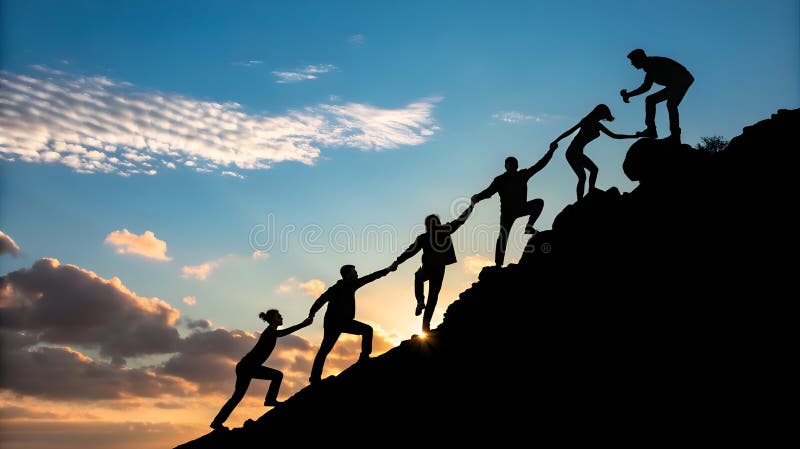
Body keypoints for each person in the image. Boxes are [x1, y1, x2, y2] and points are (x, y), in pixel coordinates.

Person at [210, 310, 312, 430]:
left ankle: (216, 423)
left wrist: (302, 324)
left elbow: (282, 333)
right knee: (277, 375)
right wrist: (303, 324)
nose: (281, 317)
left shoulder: (272, 332)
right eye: (279, 316)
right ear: (273, 319)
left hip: (245, 366)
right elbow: (284, 332)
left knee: (237, 397)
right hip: (248, 366)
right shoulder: (270, 332)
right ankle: (270, 400)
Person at [390, 202, 475, 333]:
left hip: (429, 268)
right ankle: (425, 326)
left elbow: (410, 251)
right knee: (433, 297)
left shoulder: (424, 237)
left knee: (419, 277)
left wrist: (397, 262)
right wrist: (471, 206)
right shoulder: (444, 230)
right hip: (439, 269)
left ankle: (420, 303)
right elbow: (460, 220)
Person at [307, 263, 395, 384]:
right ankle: (315, 378)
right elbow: (320, 300)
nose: (357, 274)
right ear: (347, 275)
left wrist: (388, 269)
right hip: (333, 324)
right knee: (324, 350)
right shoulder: (335, 288)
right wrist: (311, 314)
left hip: (345, 322)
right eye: (354, 272)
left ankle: (364, 358)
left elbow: (371, 277)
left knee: (367, 330)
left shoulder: (353, 284)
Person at [472, 149, 555, 267]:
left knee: (539, 203)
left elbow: (539, 166)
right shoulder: (500, 180)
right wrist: (478, 197)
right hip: (507, 213)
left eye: (514, 164)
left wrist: (550, 152)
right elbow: (489, 192)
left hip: (521, 207)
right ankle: (498, 264)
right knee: (503, 236)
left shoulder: (522, 174)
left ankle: (529, 227)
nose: (512, 166)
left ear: (517, 166)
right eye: (509, 164)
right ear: (506, 166)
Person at [550, 104, 637, 200]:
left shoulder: (598, 125)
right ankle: (586, 196)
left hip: (577, 153)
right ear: (599, 113)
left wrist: (634, 136)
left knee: (587, 174)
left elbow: (614, 136)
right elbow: (570, 131)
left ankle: (587, 195)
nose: (603, 117)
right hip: (572, 152)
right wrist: (556, 140)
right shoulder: (586, 121)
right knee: (587, 174)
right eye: (603, 114)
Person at [620, 48, 694, 141]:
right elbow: (646, 87)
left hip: (682, 80)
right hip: (676, 84)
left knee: (671, 104)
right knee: (650, 100)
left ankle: (675, 134)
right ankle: (651, 130)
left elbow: (646, 87)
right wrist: (629, 94)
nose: (632, 64)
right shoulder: (649, 68)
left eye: (633, 61)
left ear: (639, 59)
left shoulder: (653, 64)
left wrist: (628, 95)